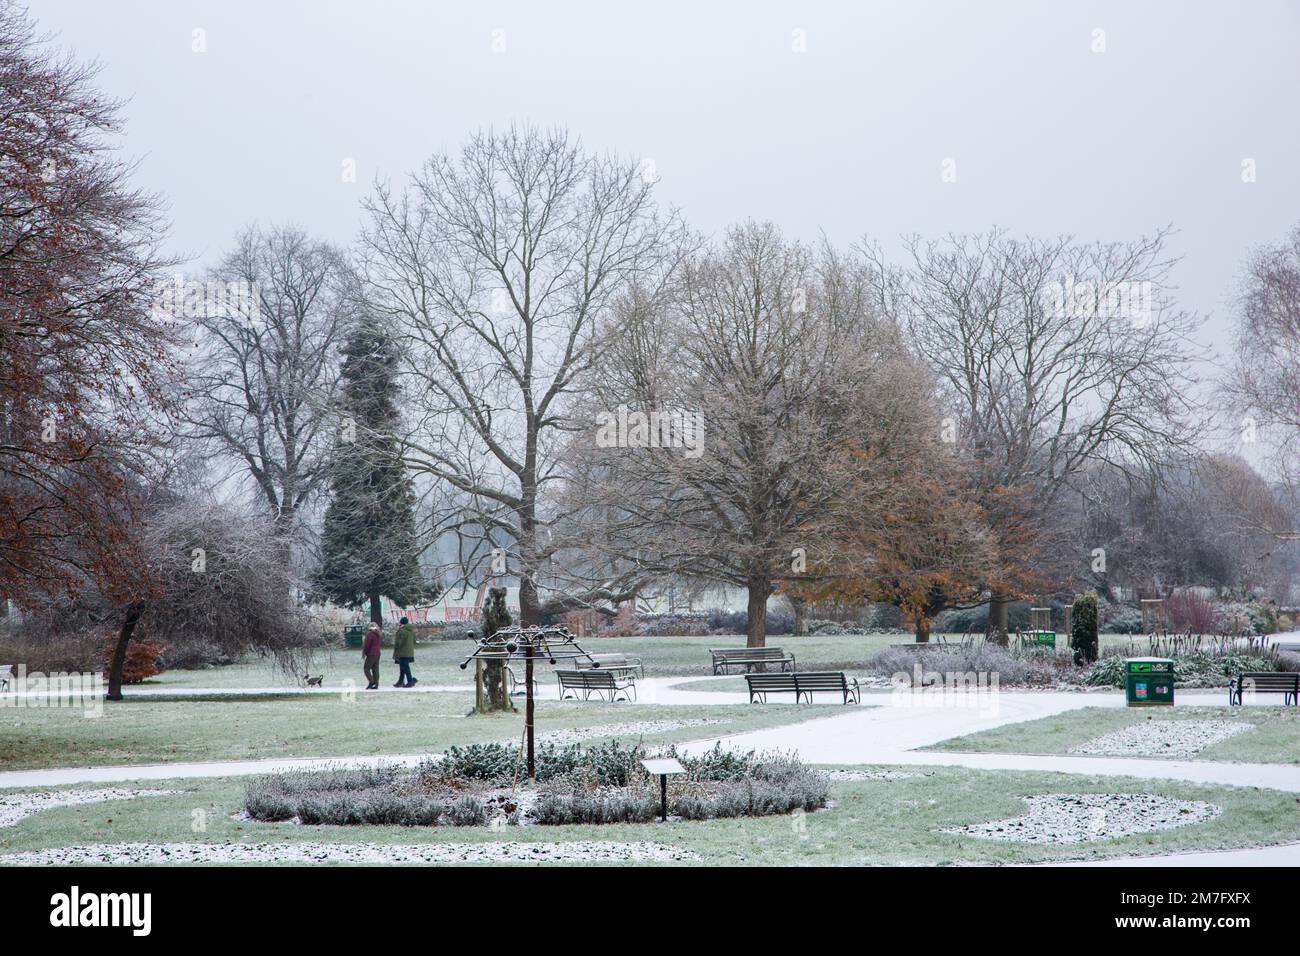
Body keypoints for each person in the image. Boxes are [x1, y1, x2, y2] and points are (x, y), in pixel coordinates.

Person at [393, 616, 417, 687]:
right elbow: (414, 641)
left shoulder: (402, 631)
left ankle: (410, 681)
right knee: (403, 667)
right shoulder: (411, 631)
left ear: (401, 623)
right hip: (409, 652)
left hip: (403, 652)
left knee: (405, 667)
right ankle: (401, 681)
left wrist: (396, 650)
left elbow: (399, 643)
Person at [361, 622, 382, 690]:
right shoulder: (378, 634)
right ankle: (376, 684)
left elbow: (367, 645)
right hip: (377, 653)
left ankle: (371, 681)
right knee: (375, 669)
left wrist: (364, 653)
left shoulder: (370, 634)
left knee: (366, 668)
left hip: (371, 653)